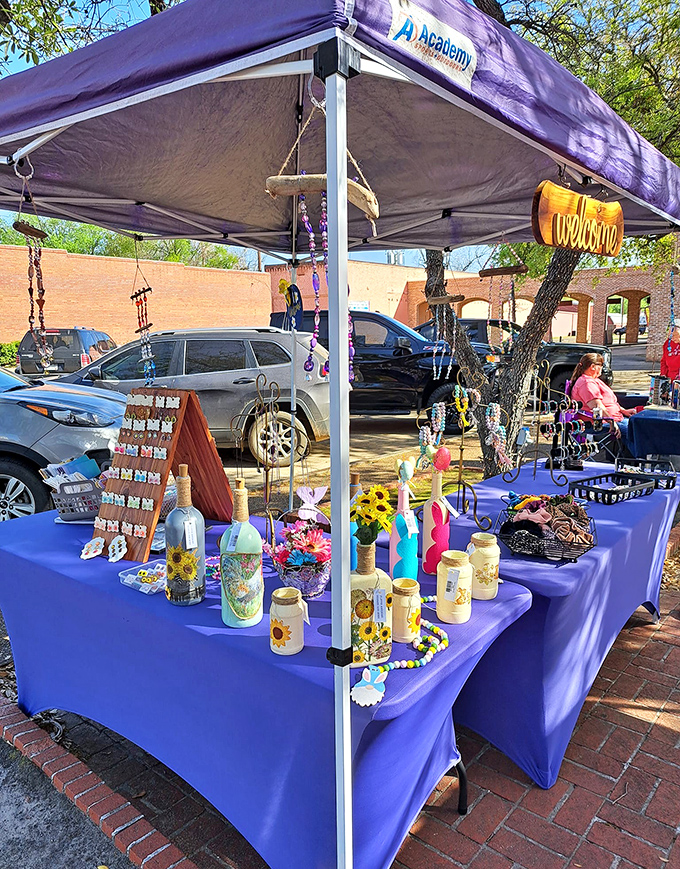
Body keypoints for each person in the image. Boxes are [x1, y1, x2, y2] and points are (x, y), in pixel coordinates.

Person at [569, 353, 639, 451]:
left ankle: (639, 460)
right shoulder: (586, 383)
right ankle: (643, 461)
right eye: (601, 365)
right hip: (596, 423)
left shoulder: (594, 380)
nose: (602, 368)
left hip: (613, 418)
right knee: (635, 432)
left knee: (637, 426)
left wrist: (624, 411)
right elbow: (597, 407)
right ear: (593, 367)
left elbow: (609, 401)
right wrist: (611, 421)